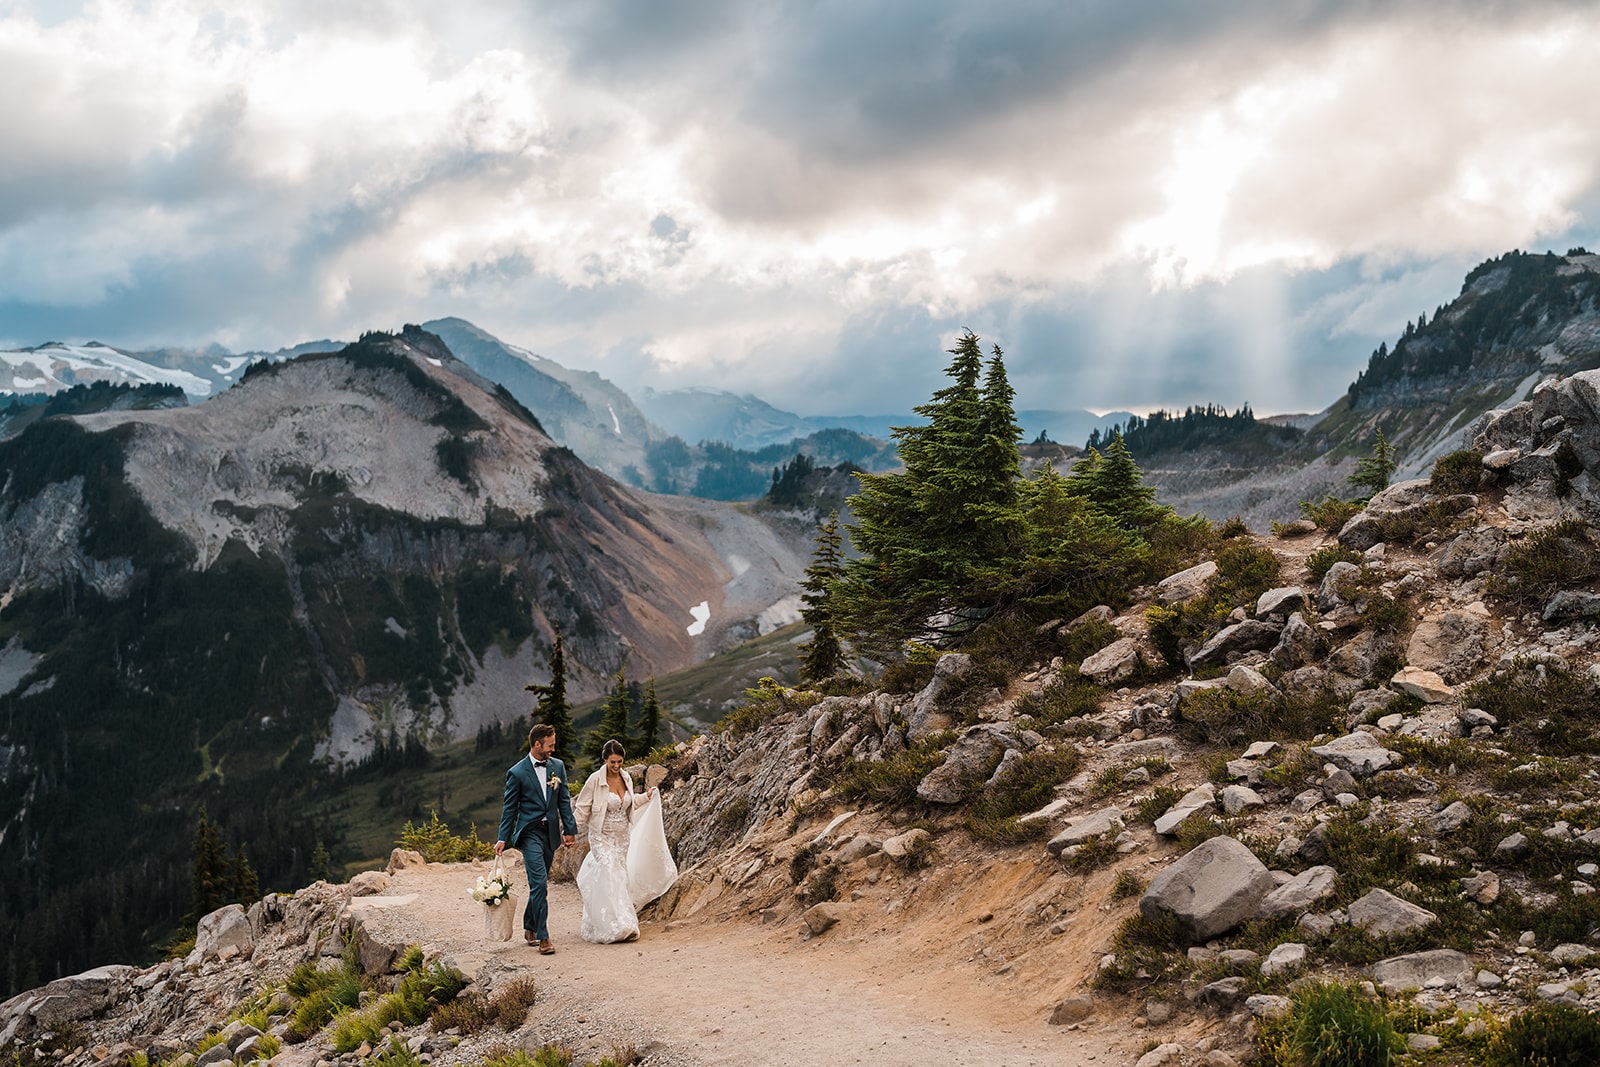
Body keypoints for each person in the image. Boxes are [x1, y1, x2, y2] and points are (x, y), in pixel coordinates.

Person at [571, 739, 677, 943]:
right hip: (601, 836)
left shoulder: (626, 777)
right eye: (612, 762)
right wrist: (569, 830)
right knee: (609, 871)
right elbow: (583, 809)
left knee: (619, 877)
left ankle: (620, 921)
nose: (617, 766)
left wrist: (646, 796)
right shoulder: (594, 780)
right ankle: (616, 926)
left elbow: (629, 803)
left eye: (620, 761)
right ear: (604, 760)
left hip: (622, 837)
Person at [495, 723, 577, 954]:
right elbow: (509, 808)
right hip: (529, 832)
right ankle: (543, 936)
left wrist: (569, 830)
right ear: (537, 744)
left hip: (550, 832)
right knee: (539, 883)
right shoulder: (517, 772)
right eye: (549, 745)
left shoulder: (558, 767)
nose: (553, 749)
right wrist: (503, 838)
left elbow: (563, 800)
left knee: (539, 885)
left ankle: (529, 925)